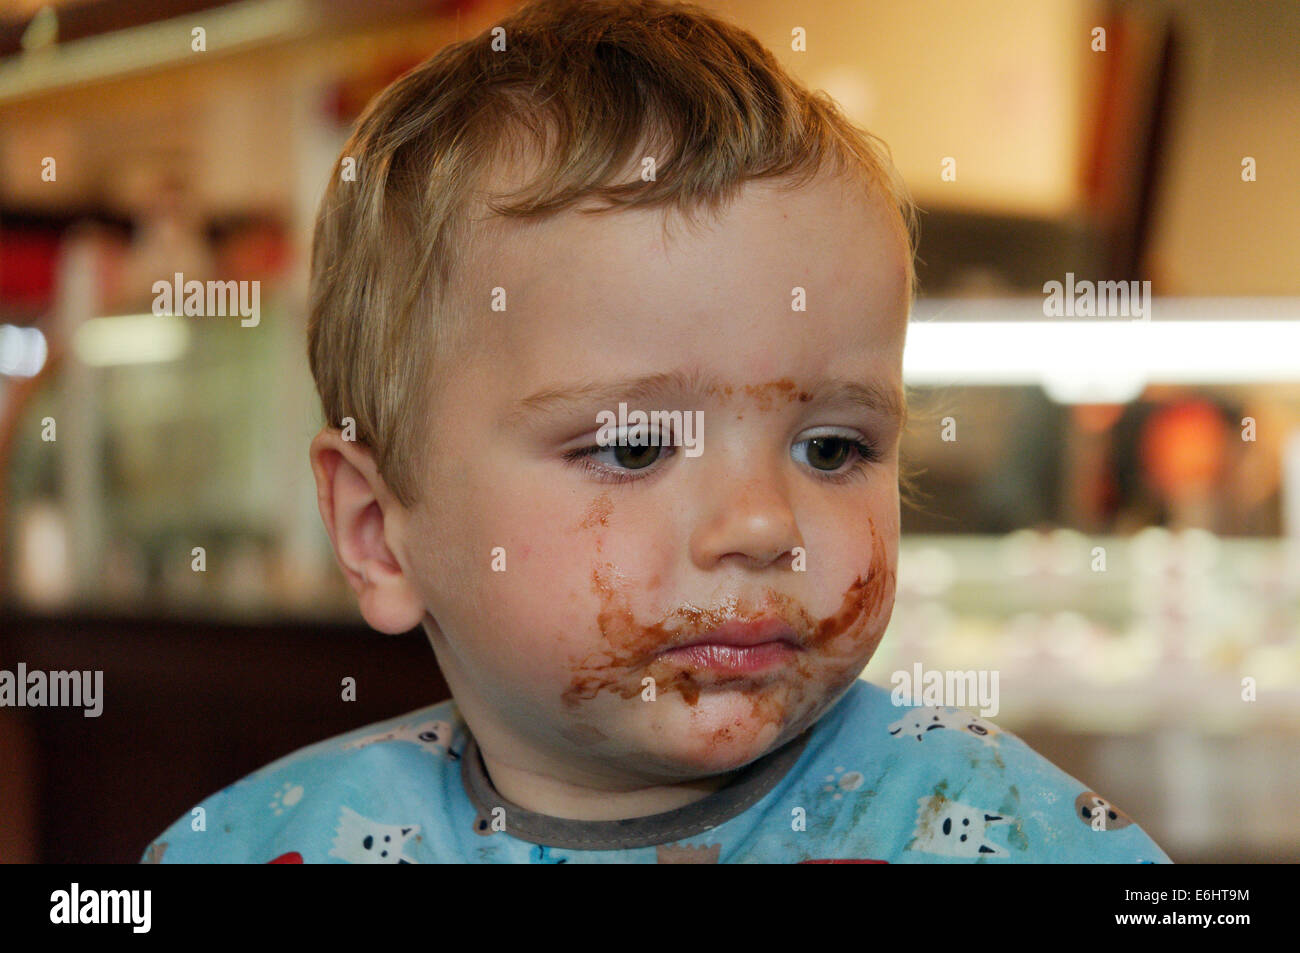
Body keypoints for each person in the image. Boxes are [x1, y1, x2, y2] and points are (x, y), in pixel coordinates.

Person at [142, 0, 1169, 863]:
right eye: (634, 446)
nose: (763, 524)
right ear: (376, 529)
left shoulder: (1007, 829)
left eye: (831, 447)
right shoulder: (254, 844)